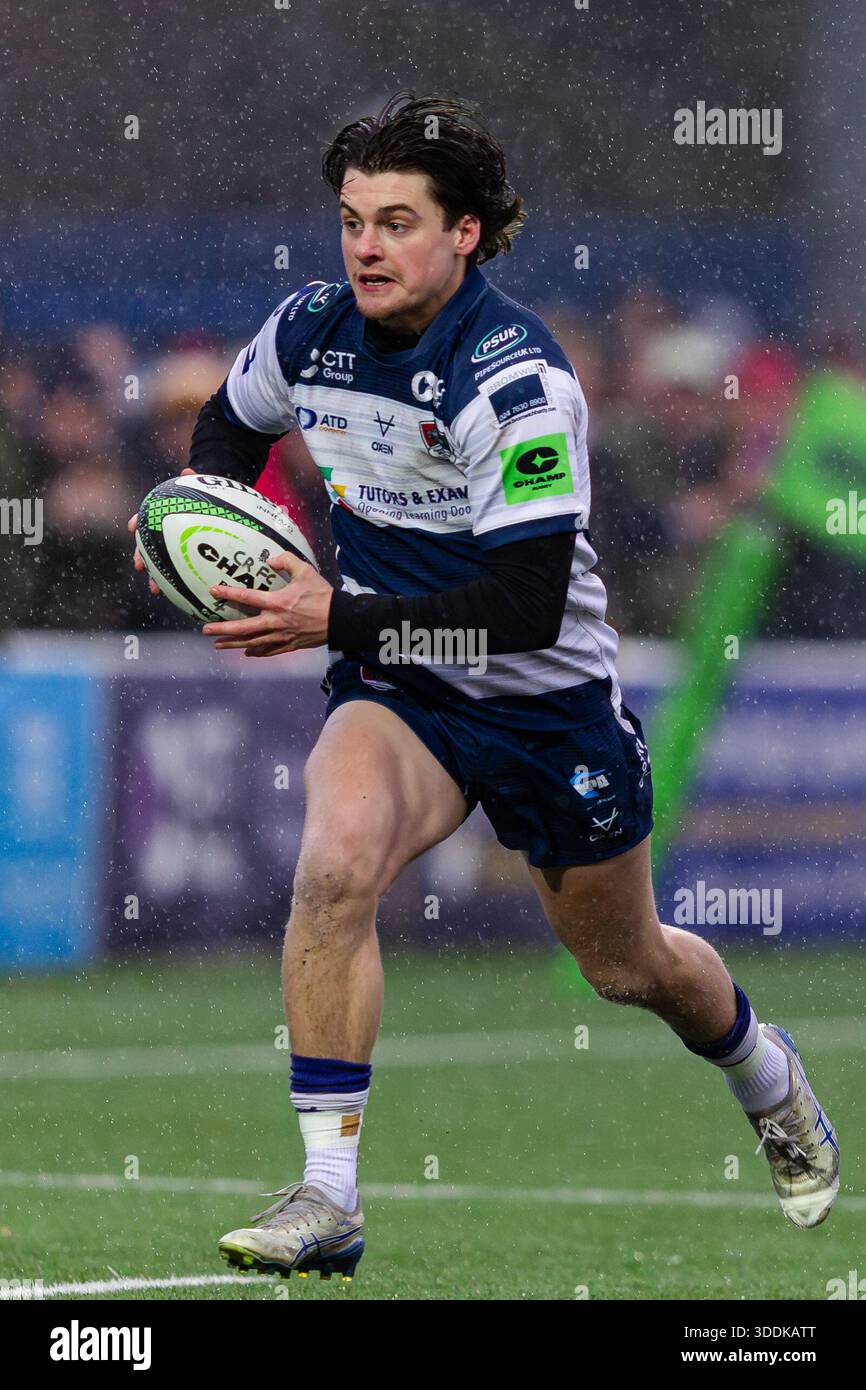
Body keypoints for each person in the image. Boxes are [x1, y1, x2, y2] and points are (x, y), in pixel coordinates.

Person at [129, 92, 838, 1282]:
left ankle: (764, 1076)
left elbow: (519, 607)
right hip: (398, 688)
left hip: (542, 700)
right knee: (333, 862)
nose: (363, 245)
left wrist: (328, 610)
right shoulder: (309, 331)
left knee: (625, 967)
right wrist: (220, 545)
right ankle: (329, 1194)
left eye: (396, 221)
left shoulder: (514, 381)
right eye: (352, 219)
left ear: (464, 234)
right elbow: (224, 430)